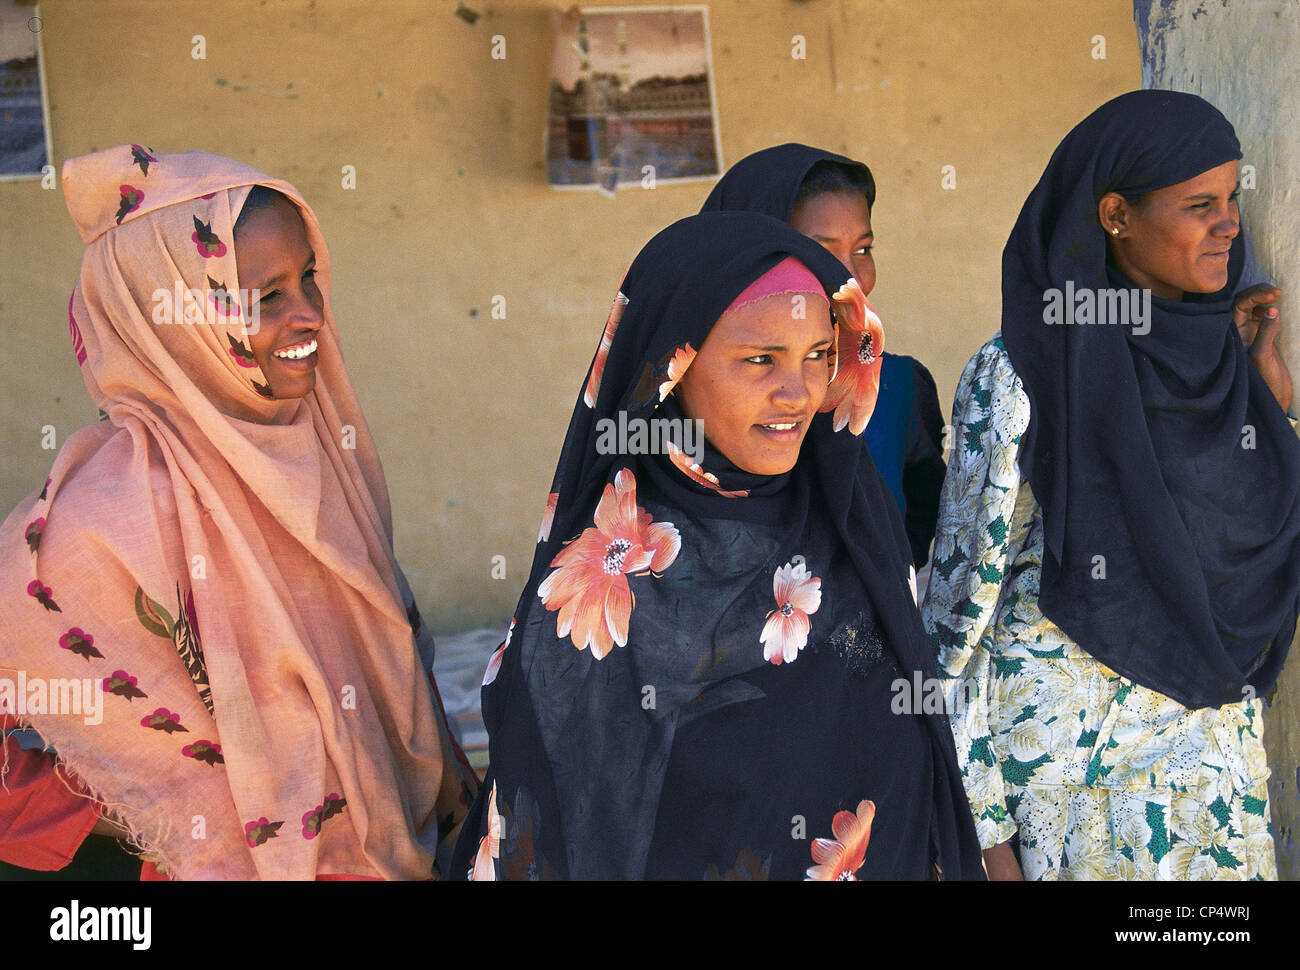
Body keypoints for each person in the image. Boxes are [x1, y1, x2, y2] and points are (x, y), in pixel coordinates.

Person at [451, 211, 983, 880]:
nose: (797, 393)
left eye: (820, 355)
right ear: (674, 367)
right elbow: (562, 835)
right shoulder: (600, 588)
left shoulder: (856, 527)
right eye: (760, 359)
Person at [0, 145, 476, 879]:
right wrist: (157, 811)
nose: (309, 315)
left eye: (308, 279)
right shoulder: (93, 529)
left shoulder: (320, 466)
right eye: (265, 297)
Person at [921, 90, 1300, 881]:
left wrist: (1269, 402)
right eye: (1200, 204)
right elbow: (955, 626)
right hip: (1067, 785)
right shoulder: (1023, 370)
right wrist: (988, 840)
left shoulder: (1226, 362)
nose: (1228, 222)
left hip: (1206, 780)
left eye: (1233, 199)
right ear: (1116, 215)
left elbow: (1242, 542)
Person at [701, 144, 946, 568]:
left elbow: (921, 528)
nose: (850, 276)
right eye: (821, 250)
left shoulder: (895, 387)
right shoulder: (690, 392)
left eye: (863, 249)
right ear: (746, 252)